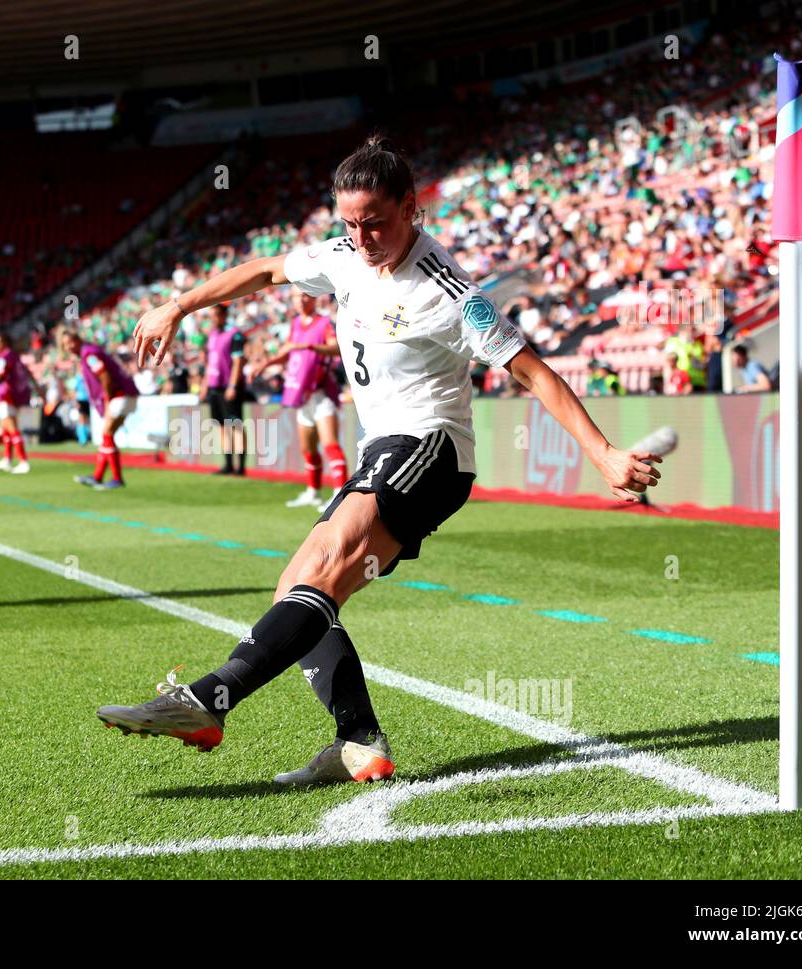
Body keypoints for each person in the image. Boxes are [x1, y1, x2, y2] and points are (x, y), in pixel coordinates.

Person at [96, 136, 661, 785]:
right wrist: (179, 303)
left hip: (431, 448)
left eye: (376, 222)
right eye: (350, 223)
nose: (362, 237)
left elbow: (533, 373)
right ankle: (358, 739)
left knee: (328, 563)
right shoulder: (342, 257)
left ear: (411, 209)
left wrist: (604, 453)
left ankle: (206, 700)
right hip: (384, 450)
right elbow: (268, 269)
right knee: (299, 588)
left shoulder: (448, 292)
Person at [255, 292, 346, 510]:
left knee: (330, 444)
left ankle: (339, 494)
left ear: (313, 299)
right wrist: (266, 364)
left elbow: (336, 348)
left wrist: (309, 347)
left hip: (321, 392)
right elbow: (288, 351)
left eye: (305, 296)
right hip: (302, 394)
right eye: (297, 297)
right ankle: (313, 492)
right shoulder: (295, 323)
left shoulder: (324, 323)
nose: (301, 300)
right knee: (308, 447)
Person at [60, 328, 139, 490]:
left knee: (107, 435)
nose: (67, 348)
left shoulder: (89, 354)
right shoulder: (90, 352)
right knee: (107, 437)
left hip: (119, 395)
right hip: (127, 394)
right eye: (64, 346)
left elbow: (105, 376)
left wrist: (108, 400)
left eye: (68, 344)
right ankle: (98, 477)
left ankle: (117, 478)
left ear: (76, 341)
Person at [199, 303, 247, 475]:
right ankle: (228, 464)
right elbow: (209, 362)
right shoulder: (212, 335)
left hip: (229, 386)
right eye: (210, 315)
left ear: (224, 315)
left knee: (235, 425)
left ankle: (240, 467)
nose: (213, 318)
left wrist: (233, 385)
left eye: (216, 314)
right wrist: (205, 385)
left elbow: (238, 361)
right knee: (220, 426)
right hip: (214, 386)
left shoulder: (234, 334)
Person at [0, 332, 37, 474]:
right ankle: (7, 459)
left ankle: (23, 461)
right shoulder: (14, 356)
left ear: (4, 343)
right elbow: (27, 372)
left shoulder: (4, 357)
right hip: (15, 395)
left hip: (7, 395)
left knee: (11, 428)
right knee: (5, 429)